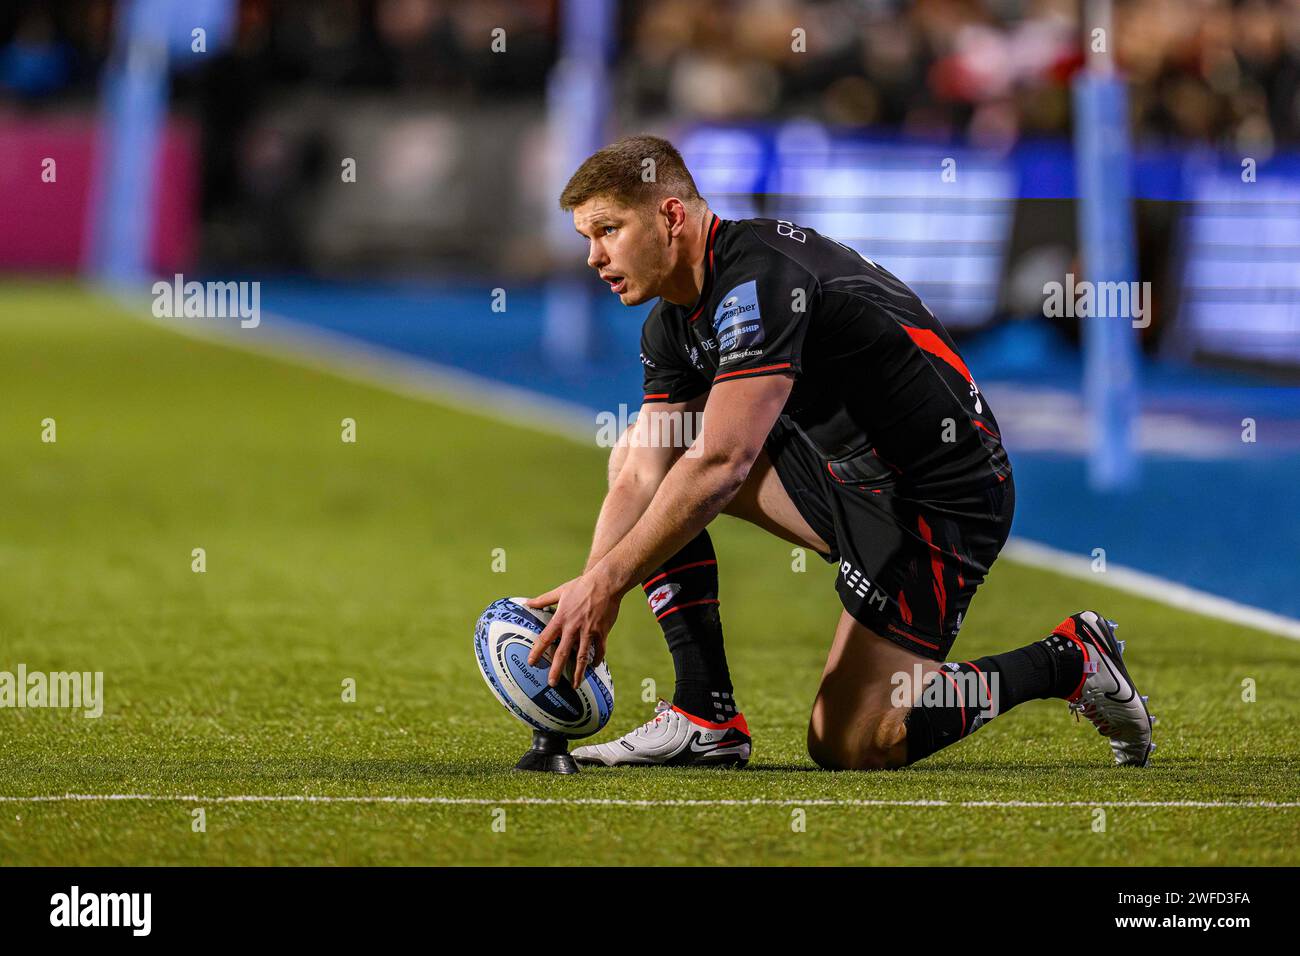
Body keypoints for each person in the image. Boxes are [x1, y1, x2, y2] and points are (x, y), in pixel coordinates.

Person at [526, 135, 1153, 770]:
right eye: (586, 237)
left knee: (853, 744)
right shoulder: (672, 321)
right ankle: (703, 714)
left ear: (670, 215)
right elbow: (641, 472)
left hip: (939, 500)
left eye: (607, 230)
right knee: (645, 446)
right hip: (843, 476)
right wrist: (587, 597)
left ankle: (1069, 658)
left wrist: (607, 584)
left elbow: (723, 465)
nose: (593, 256)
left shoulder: (761, 280)